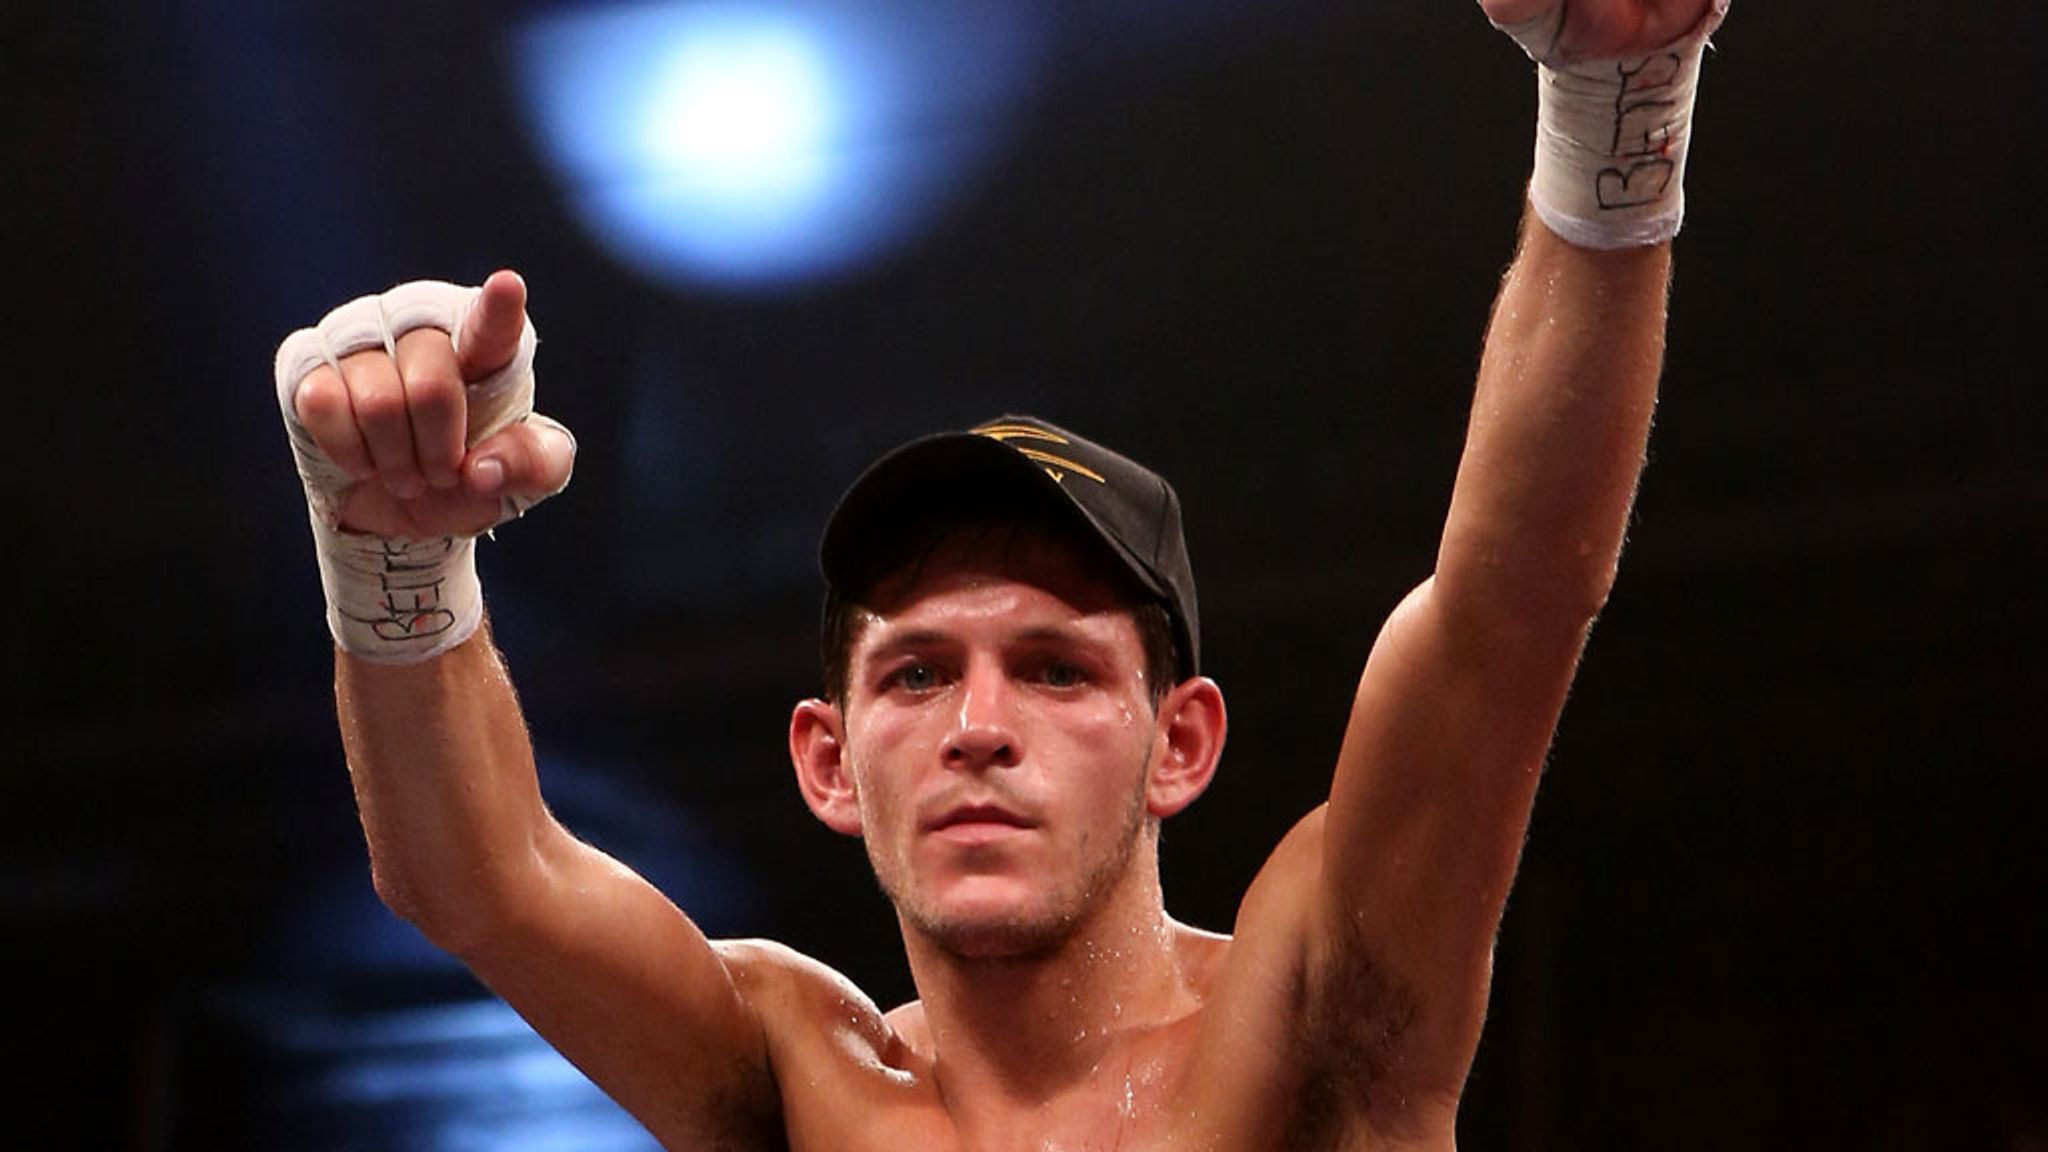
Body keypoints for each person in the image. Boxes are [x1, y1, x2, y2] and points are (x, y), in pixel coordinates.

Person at [272, 0, 1728, 1147]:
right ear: (829, 762)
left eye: (1057, 665)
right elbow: (481, 877)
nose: (979, 724)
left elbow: (1508, 605)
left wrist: (1618, 108)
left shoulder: (1312, 1010)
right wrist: (392, 560)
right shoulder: (795, 1071)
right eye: (917, 671)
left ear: (1183, 741)